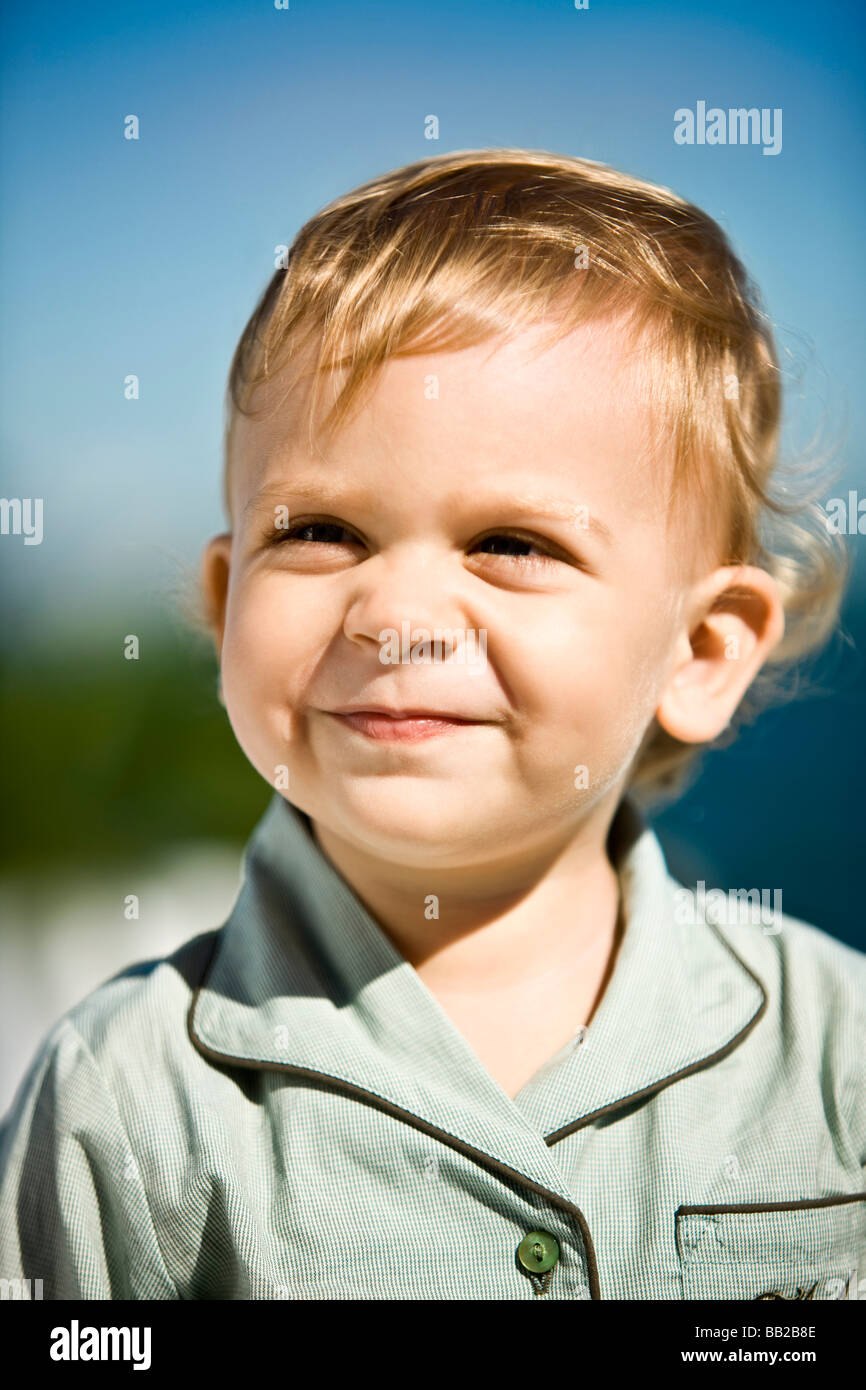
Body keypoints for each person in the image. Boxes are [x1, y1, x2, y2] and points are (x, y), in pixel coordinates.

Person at [1, 148, 863, 1301]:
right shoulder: (121, 1097)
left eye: (510, 543)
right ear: (223, 605)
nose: (397, 619)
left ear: (698, 652)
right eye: (318, 531)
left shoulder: (835, 1063)